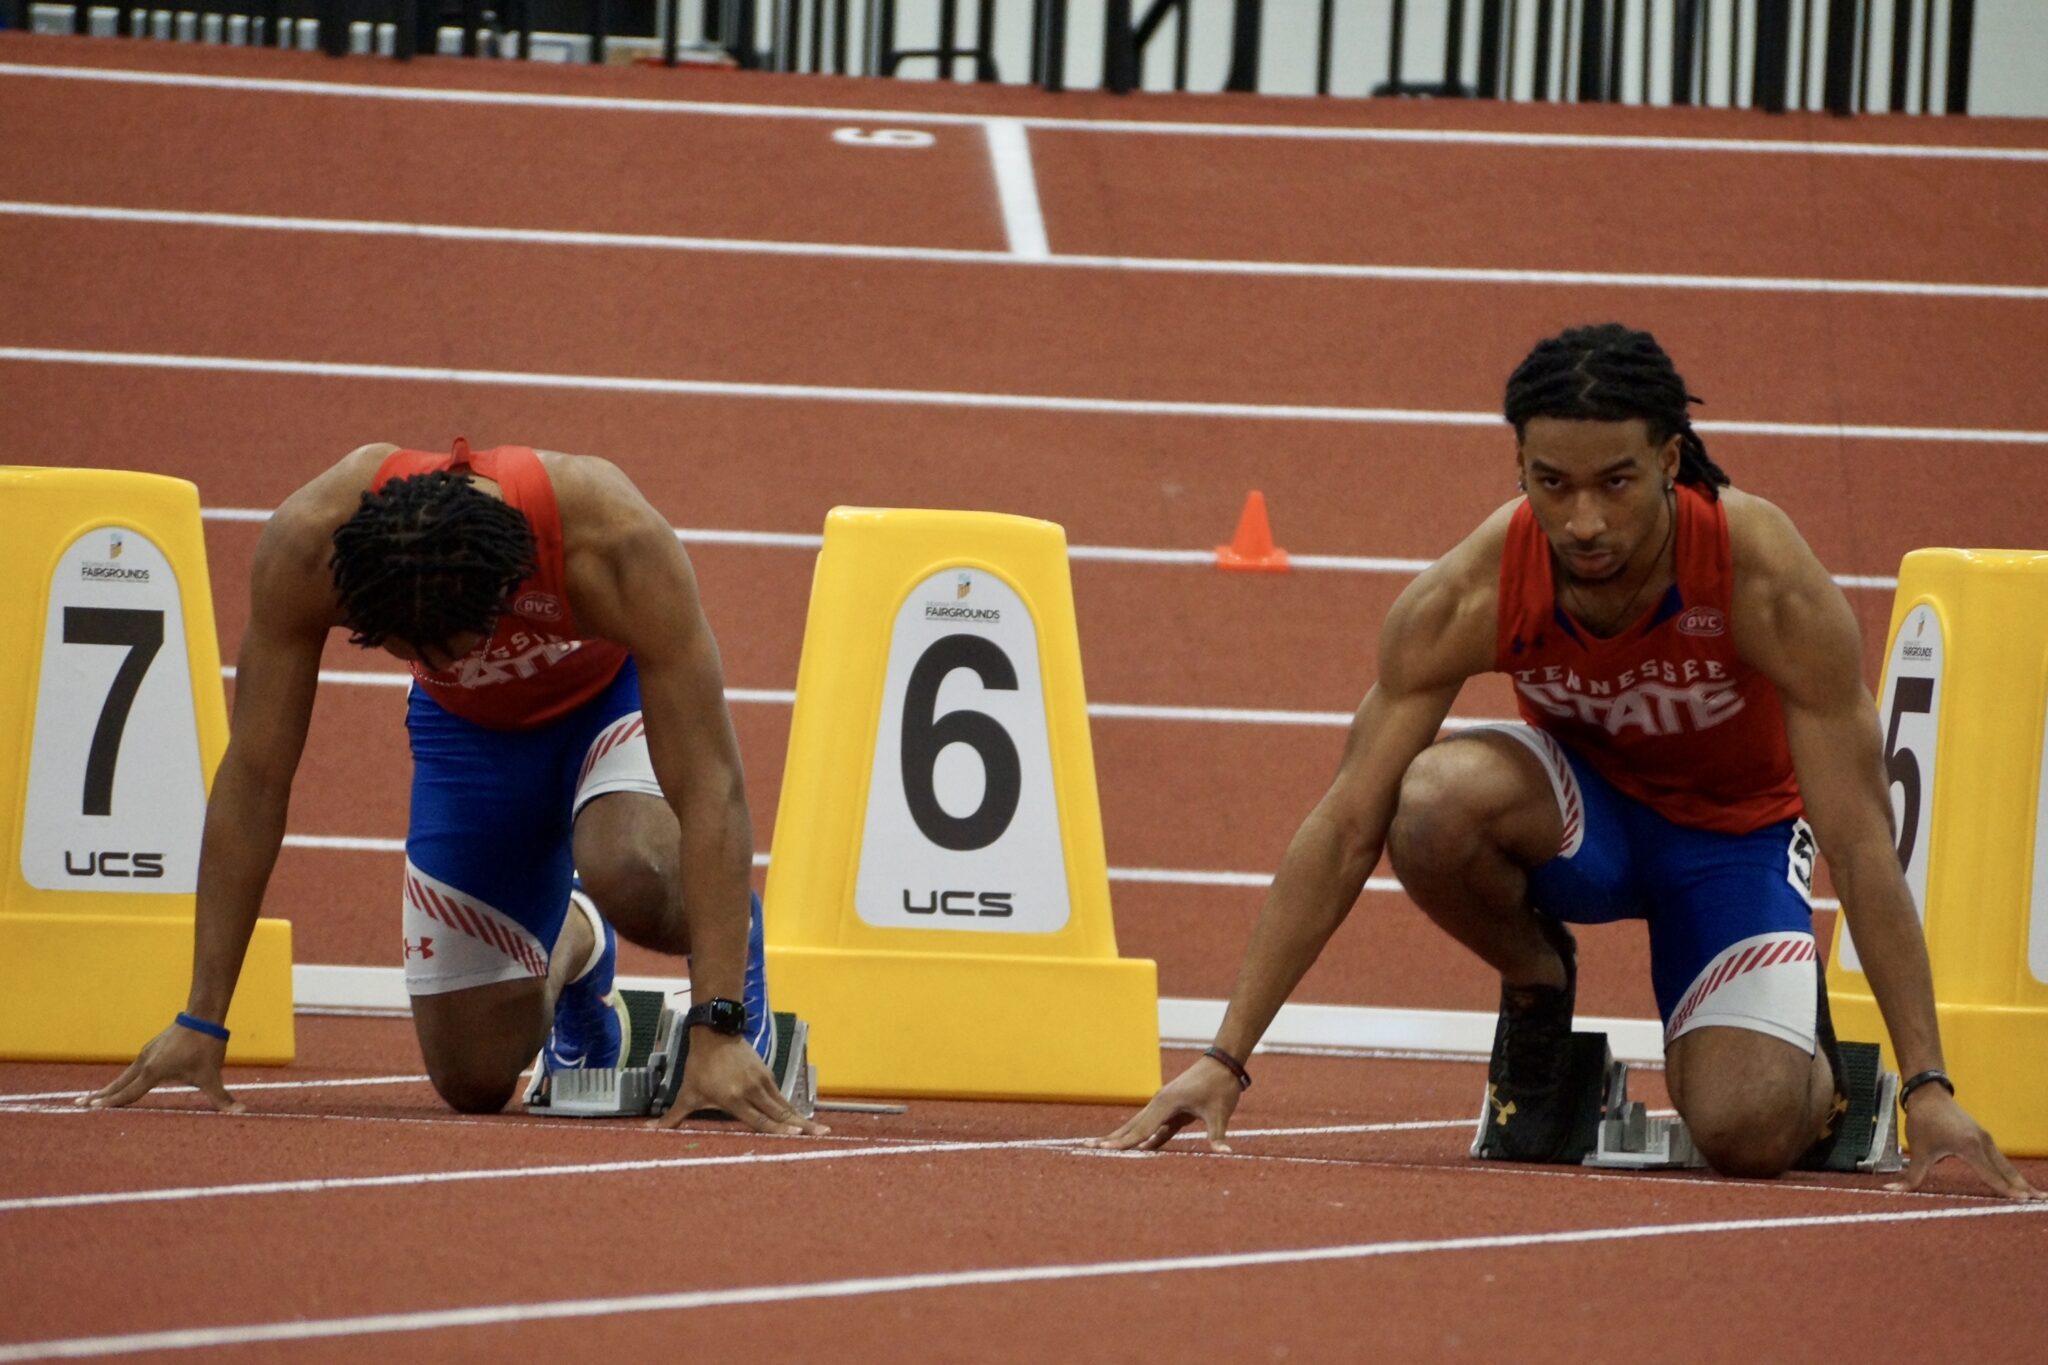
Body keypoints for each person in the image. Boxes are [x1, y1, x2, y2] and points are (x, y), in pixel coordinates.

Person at [1099, 324, 2038, 1197]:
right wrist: (1223, 1058)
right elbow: (1348, 821)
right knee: (1425, 799)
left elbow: (1863, 841)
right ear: (1519, 468)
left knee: (1747, 1135)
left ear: (1670, 460)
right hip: (1583, 819)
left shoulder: (1763, 577)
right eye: (1552, 484)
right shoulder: (1473, 589)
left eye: (1616, 484)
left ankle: (1827, 1076)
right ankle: (1539, 983)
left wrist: (1927, 1081)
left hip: (1735, 837)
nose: (1583, 520)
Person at [85, 438, 825, 1137]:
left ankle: (732, 952)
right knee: (470, 1077)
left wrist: (716, 1023)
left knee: (632, 866)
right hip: (467, 739)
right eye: (405, 648)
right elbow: (253, 778)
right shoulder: (309, 543)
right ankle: (576, 941)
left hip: (609, 704)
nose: (428, 657)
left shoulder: (612, 538)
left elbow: (711, 785)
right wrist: (201, 1018)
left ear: (507, 586)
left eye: (447, 644)